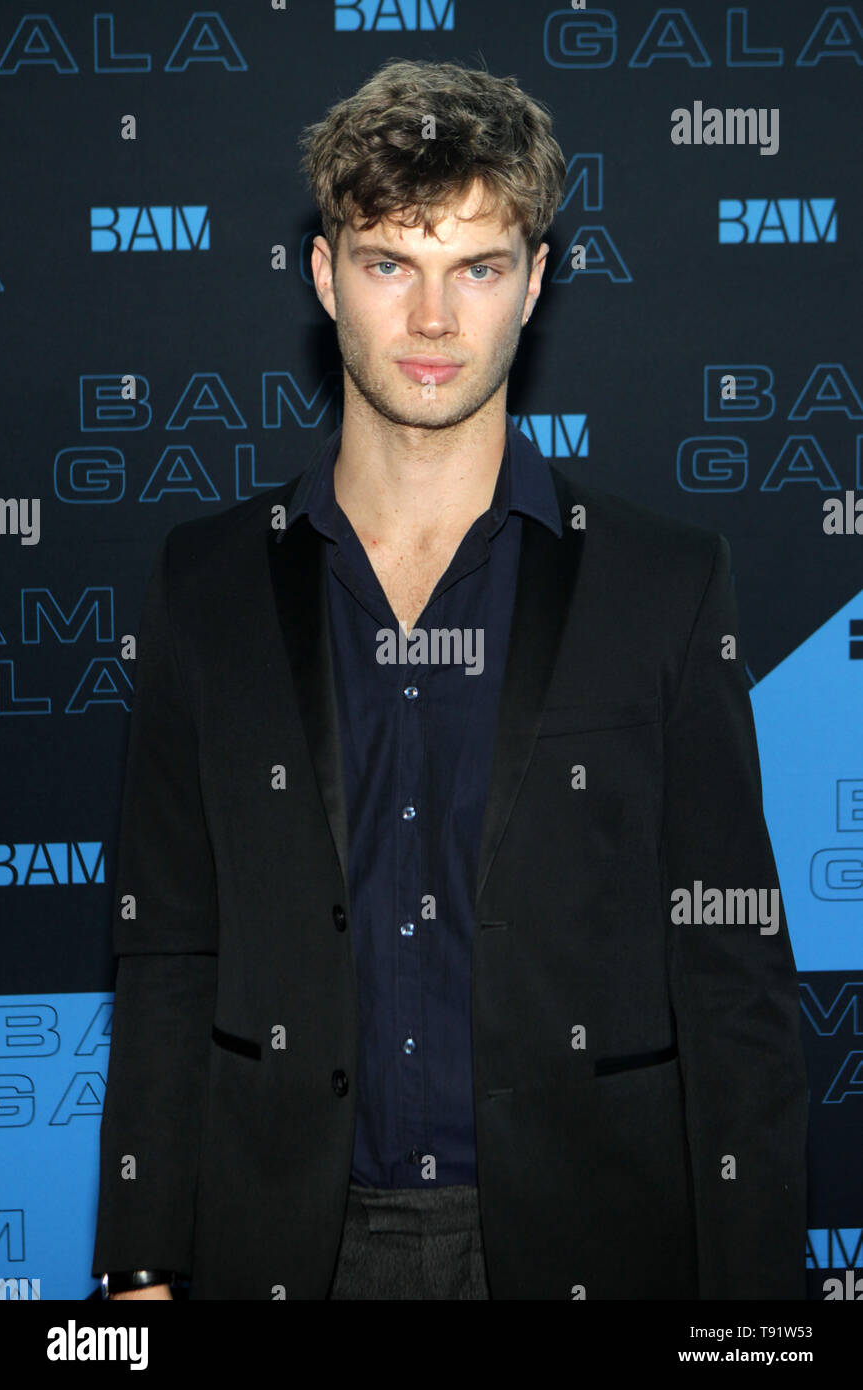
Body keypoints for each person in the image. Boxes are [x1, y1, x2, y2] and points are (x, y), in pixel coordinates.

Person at [92, 57, 808, 1301]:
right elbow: (167, 953)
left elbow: (730, 975)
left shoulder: (663, 582)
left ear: (533, 284)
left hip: (587, 1243)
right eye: (390, 265)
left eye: (475, 268)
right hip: (276, 1244)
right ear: (325, 278)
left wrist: (756, 1319)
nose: (432, 323)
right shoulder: (205, 583)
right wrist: (140, 1265)